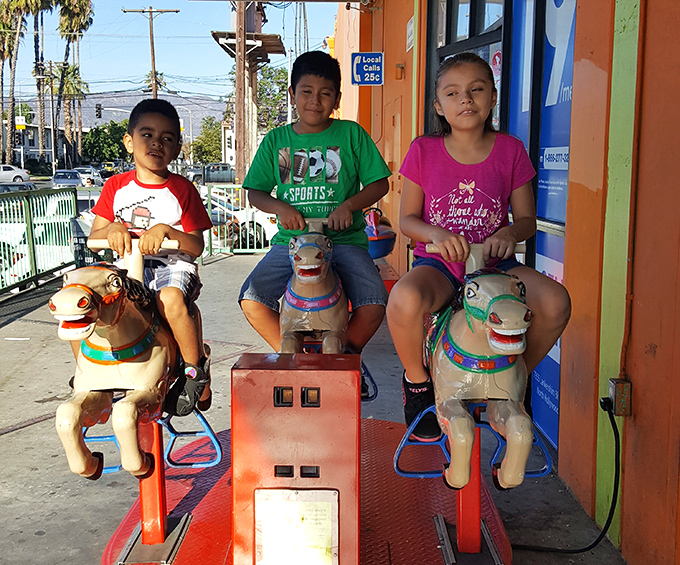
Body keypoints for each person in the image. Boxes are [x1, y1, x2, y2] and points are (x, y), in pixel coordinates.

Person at [387, 52, 571, 440]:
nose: (465, 99)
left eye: (476, 90)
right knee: (403, 299)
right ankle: (418, 384)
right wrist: (436, 235)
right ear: (439, 105)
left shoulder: (510, 150)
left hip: (495, 267)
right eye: (453, 93)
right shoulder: (423, 151)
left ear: (492, 99)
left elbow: (524, 220)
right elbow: (407, 221)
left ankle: (511, 384)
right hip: (440, 267)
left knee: (555, 302)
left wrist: (509, 234)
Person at [239, 50, 391, 393]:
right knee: (252, 296)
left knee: (374, 300)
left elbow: (380, 183)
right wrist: (280, 207)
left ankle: (346, 359)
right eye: (306, 91)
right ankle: (289, 355)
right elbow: (256, 192)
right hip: (290, 244)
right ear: (292, 94)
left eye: (325, 93)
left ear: (336, 98)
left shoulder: (351, 135)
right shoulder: (277, 140)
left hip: (345, 241)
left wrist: (350, 206)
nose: (314, 100)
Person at [89, 98, 213, 416]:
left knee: (169, 298)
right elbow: (94, 239)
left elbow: (196, 245)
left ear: (177, 148)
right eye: (147, 135)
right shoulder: (115, 187)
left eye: (167, 138)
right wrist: (114, 229)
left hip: (172, 266)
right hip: (127, 266)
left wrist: (166, 232)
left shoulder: (183, 190)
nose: (156, 143)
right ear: (129, 141)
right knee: (85, 299)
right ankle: (86, 370)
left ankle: (193, 370)